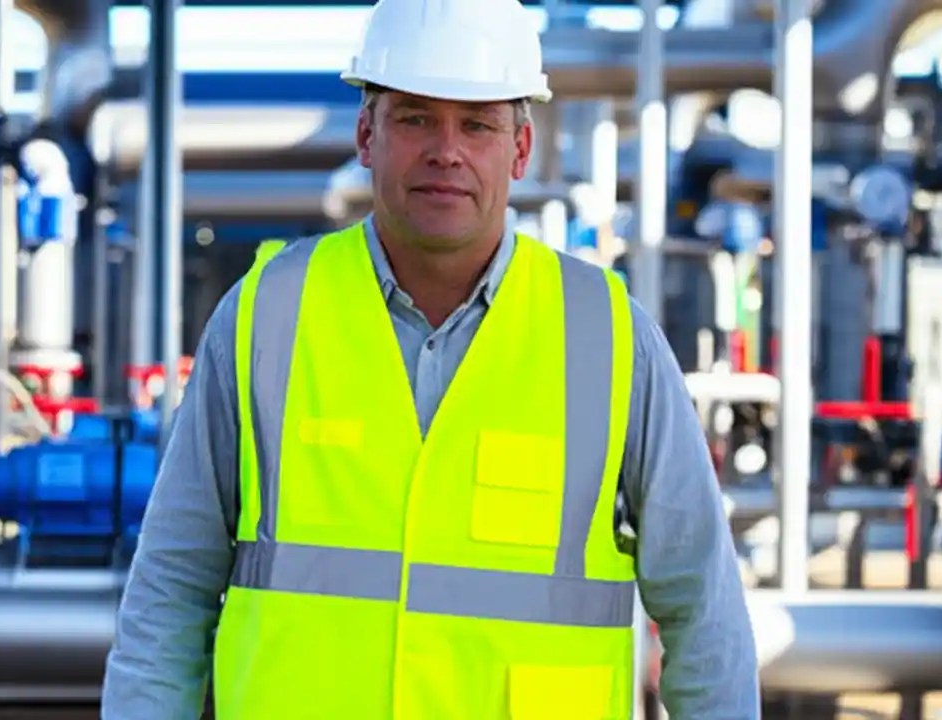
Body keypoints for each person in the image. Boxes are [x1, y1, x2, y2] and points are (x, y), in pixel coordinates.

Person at [101, 0, 759, 717]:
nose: (446, 150)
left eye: (477, 123)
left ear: (519, 147)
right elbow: (170, 592)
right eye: (415, 117)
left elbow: (704, 612)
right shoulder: (267, 315)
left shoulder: (609, 336)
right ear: (365, 133)